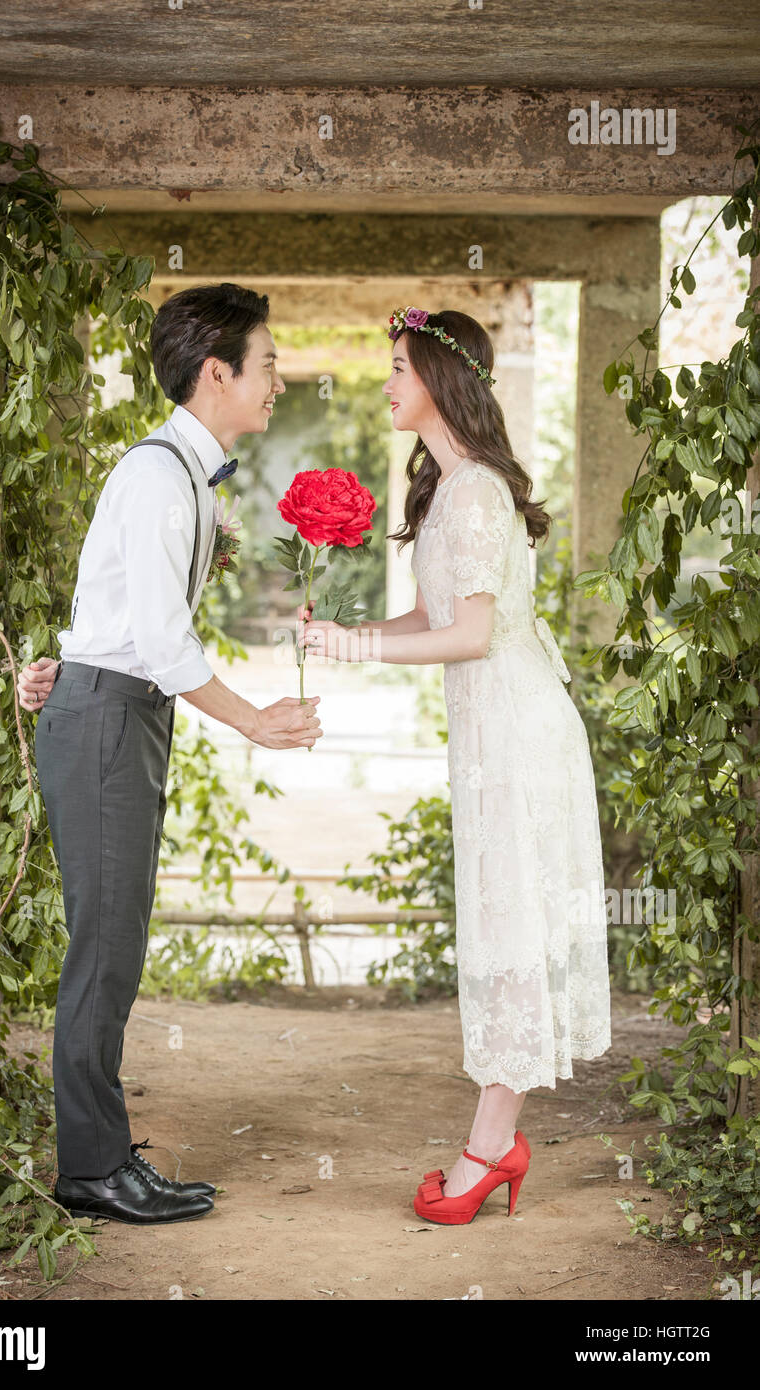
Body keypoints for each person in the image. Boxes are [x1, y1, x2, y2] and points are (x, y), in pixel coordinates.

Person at [18, 283, 323, 1225]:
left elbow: (110, 611)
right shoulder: (157, 477)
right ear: (216, 372)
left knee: (116, 943)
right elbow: (155, 637)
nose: (278, 382)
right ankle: (92, 1171)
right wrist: (252, 719)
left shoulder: (186, 476)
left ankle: (101, 1156)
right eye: (267, 365)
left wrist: (62, 663)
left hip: (116, 711)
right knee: (103, 953)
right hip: (111, 717)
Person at [300, 306, 611, 1225]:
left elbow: (470, 636)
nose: (388, 382)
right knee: (497, 921)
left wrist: (362, 654)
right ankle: (495, 1142)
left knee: (509, 926)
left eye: (399, 365)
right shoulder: (448, 486)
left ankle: (489, 1152)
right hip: (494, 735)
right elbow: (436, 617)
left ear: (440, 376)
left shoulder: (474, 491)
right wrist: (347, 637)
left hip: (518, 734)